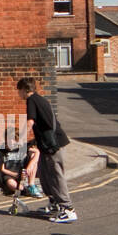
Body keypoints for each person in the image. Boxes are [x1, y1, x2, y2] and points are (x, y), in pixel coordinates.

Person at [17, 77, 75, 222]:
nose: (18, 94)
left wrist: (21, 138)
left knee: (56, 176)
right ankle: (54, 203)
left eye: (19, 91)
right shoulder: (40, 100)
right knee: (44, 174)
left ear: (24, 90)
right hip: (47, 144)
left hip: (53, 145)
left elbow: (30, 121)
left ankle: (68, 209)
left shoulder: (31, 100)